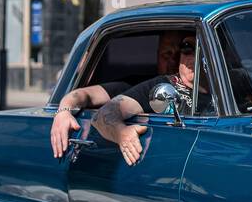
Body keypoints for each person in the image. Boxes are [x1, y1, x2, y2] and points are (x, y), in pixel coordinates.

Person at [50, 31, 182, 157]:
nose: (173, 61)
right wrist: (64, 111)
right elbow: (84, 95)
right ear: (157, 55)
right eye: (167, 54)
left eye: (181, 54)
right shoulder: (138, 85)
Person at [93, 33, 209, 166]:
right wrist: (122, 133)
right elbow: (102, 115)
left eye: (200, 47)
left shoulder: (234, 84)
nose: (192, 55)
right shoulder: (164, 85)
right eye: (186, 47)